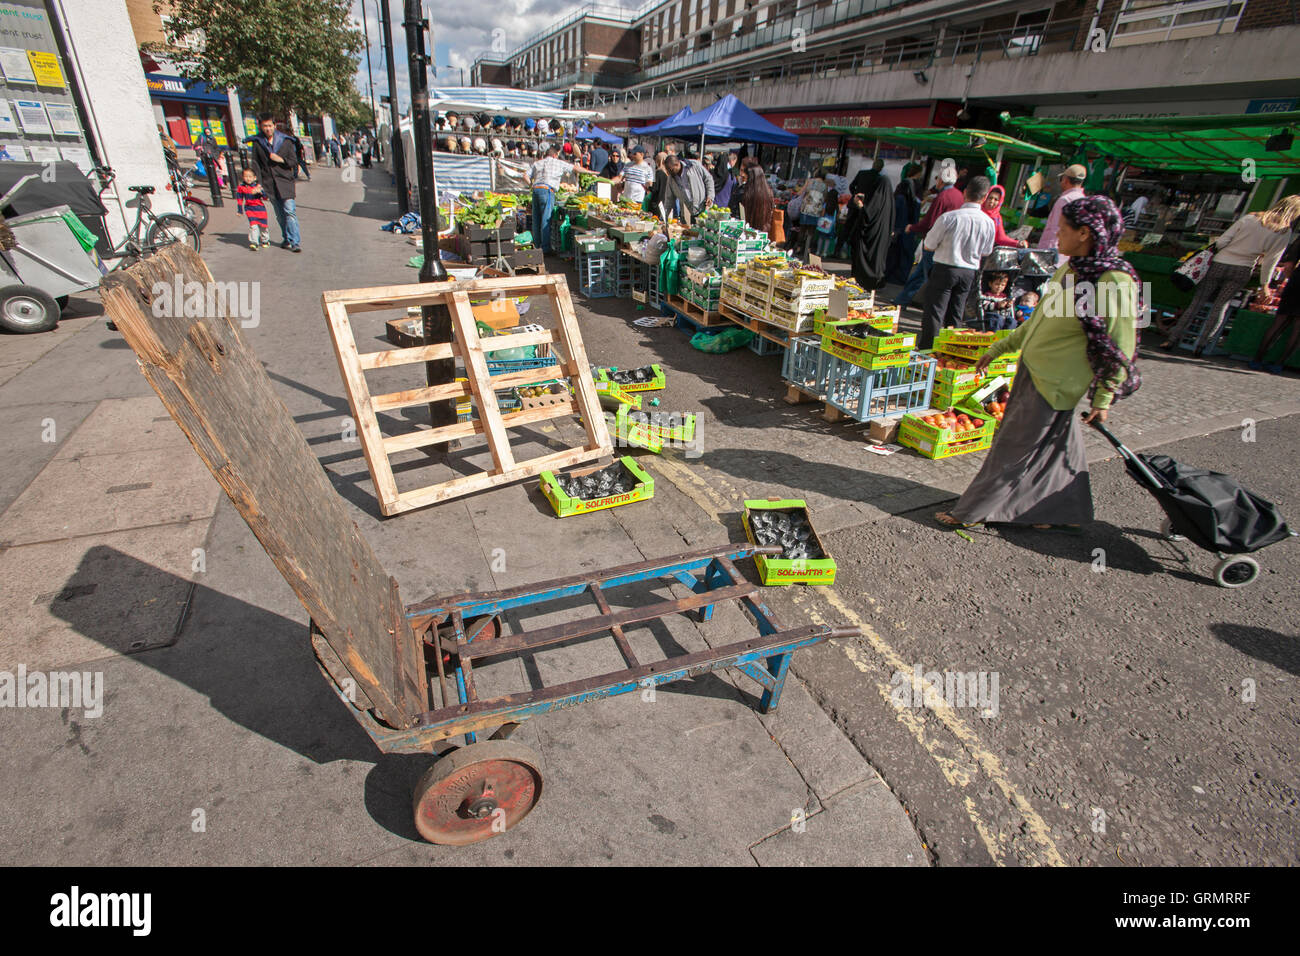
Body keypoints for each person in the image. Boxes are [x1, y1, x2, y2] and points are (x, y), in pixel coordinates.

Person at [936, 195, 1141, 532]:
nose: (1057, 236)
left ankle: (972, 510)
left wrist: (1104, 399)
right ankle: (1059, 509)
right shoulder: (1072, 268)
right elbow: (1039, 321)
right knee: (1057, 447)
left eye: (1063, 230)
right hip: (1034, 371)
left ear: (1086, 233)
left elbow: (1121, 344)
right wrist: (1001, 347)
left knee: (1012, 446)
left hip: (1057, 381)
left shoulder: (1114, 280)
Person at [1161, 196, 1300, 355]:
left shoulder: (1251, 218)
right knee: (1221, 306)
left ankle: (1171, 339)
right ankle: (1200, 345)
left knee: (1197, 302)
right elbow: (1270, 261)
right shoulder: (1283, 231)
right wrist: (1264, 285)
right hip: (1242, 269)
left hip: (1220, 263)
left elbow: (1222, 241)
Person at [916, 176, 996, 349]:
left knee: (935, 312)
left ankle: (929, 351)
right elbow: (987, 251)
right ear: (984, 198)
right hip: (969, 271)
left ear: (965, 193)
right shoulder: (988, 223)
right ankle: (951, 350)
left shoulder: (950, 218)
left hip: (946, 267)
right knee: (956, 313)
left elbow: (929, 244)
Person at [895, 161, 964, 309]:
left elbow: (929, 222)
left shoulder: (943, 197)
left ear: (941, 180)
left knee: (930, 277)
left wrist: (912, 227)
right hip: (949, 244)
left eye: (937, 178)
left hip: (934, 243)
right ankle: (901, 300)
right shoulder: (959, 196)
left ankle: (932, 308)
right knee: (921, 273)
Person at [248, 113, 302, 252]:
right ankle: (287, 238)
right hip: (269, 184)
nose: (267, 129)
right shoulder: (258, 142)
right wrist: (258, 183)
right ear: (260, 126)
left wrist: (280, 160)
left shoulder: (286, 141)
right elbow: (255, 164)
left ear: (275, 126)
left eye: (270, 126)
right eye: (265, 126)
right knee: (279, 214)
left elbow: (293, 161)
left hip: (285, 182)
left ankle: (295, 242)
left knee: (290, 211)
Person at [1250, 232, 1300, 373]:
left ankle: (1257, 359)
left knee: (1279, 321)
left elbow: (1289, 266)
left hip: (1297, 282)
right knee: (1298, 328)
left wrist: (1291, 279)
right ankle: (1279, 364)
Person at [846, 160, 894, 290]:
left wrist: (861, 205)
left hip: (870, 238)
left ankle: (861, 280)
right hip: (882, 238)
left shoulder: (864, 177)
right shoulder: (889, 203)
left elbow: (868, 214)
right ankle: (876, 280)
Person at [528, 145, 573, 254]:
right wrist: (591, 172)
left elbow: (525, 175)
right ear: (555, 155)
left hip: (536, 189)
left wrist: (531, 184)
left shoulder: (537, 163)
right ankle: (546, 248)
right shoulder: (557, 162)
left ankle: (537, 245)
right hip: (547, 190)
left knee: (536, 218)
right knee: (546, 219)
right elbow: (574, 168)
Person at [1039, 164, 1087, 261]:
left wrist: (1046, 255)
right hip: (1072, 256)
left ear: (1065, 180)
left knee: (1053, 276)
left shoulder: (1065, 200)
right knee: (1069, 276)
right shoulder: (1084, 200)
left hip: (1056, 255)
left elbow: (1055, 229)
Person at [887, 162, 924, 283]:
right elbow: (915, 206)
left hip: (899, 224)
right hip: (906, 225)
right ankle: (899, 277)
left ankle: (891, 274)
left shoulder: (902, 186)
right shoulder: (914, 186)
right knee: (904, 252)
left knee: (894, 252)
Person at [664, 153, 714, 222]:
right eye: (667, 170)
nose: (668, 172)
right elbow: (669, 199)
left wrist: (710, 196)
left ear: (677, 164)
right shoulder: (671, 178)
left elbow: (708, 179)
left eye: (671, 170)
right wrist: (664, 217)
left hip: (702, 209)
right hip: (685, 214)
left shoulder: (694, 165)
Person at [795, 174, 829, 261]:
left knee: (802, 229)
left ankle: (799, 247)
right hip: (816, 210)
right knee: (811, 230)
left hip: (806, 208)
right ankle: (808, 247)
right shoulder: (825, 186)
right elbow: (824, 199)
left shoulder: (809, 182)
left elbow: (802, 192)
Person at [236, 167, 270, 251]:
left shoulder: (257, 186)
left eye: (250, 176)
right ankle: (254, 242)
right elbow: (239, 199)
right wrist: (240, 211)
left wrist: (261, 192)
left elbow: (266, 198)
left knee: (263, 226)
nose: (248, 178)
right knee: (253, 226)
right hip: (249, 209)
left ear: (255, 178)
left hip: (260, 209)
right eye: (246, 176)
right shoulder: (241, 187)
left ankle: (265, 240)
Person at [737, 164, 775, 234]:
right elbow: (771, 213)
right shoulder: (768, 193)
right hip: (762, 232)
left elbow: (734, 211)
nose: (742, 175)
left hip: (743, 232)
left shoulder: (742, 191)